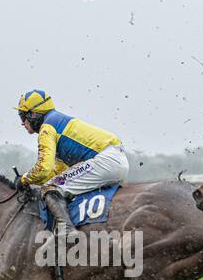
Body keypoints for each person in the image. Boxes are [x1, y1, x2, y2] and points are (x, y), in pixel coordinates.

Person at [14, 89, 129, 238]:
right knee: (56, 185)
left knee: (50, 188)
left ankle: (66, 230)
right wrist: (32, 182)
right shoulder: (58, 122)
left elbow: (43, 168)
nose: (22, 123)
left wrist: (23, 179)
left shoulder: (47, 128)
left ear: (33, 114)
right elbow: (55, 172)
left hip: (104, 161)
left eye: (23, 116)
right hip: (116, 160)